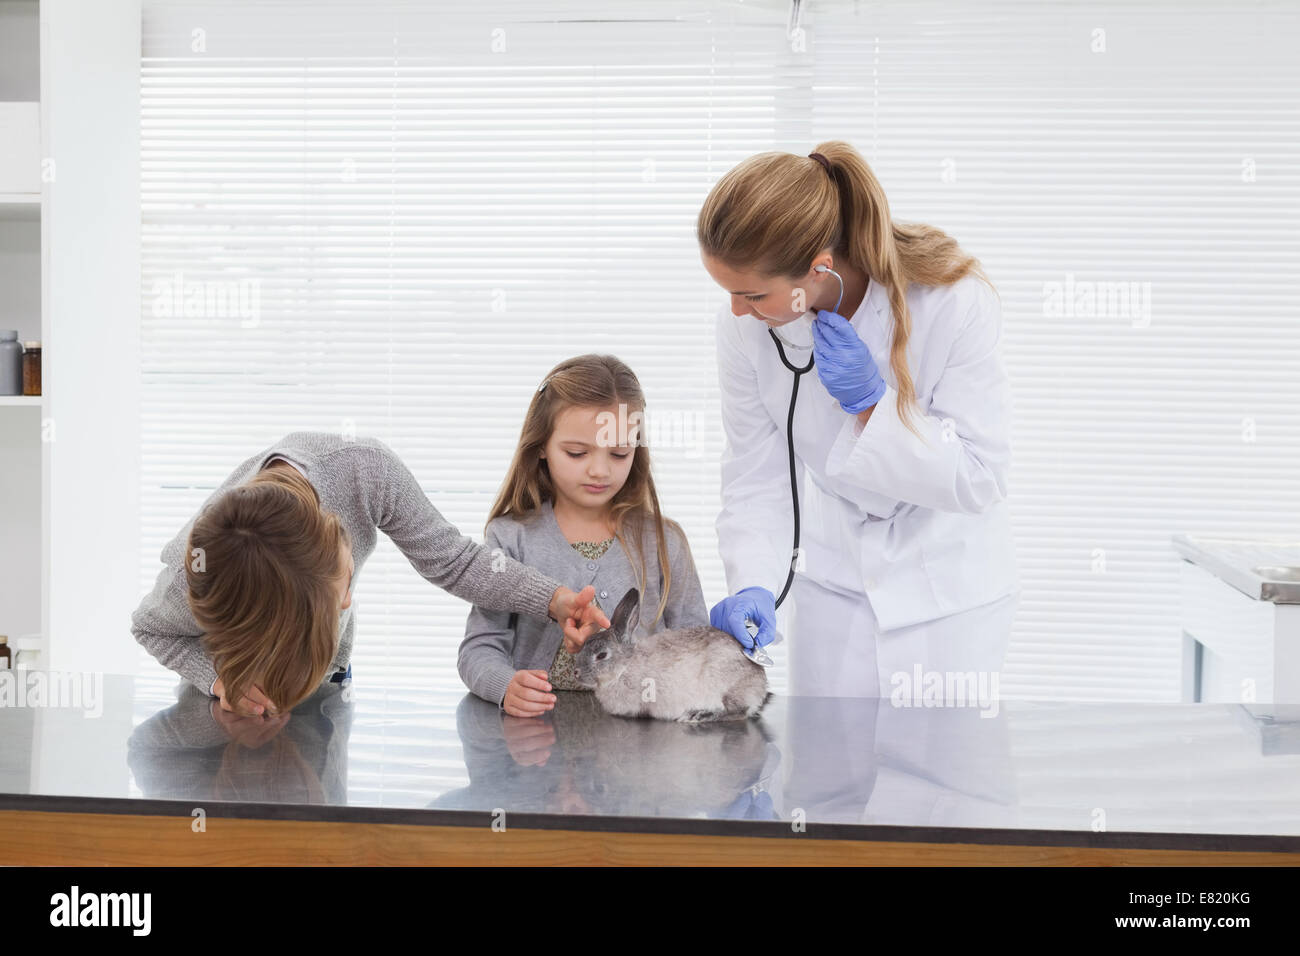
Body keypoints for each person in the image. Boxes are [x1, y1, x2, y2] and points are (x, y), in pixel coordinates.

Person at [697, 141, 1021, 697]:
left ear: (819, 267)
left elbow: (980, 476)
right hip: (834, 589)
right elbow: (756, 476)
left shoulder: (949, 301)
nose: (736, 310)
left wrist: (875, 405)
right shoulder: (747, 328)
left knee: (944, 782)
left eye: (752, 293)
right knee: (825, 781)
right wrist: (752, 581)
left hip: (946, 598)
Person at [130, 432, 610, 716]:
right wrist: (218, 682)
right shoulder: (191, 575)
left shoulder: (364, 473)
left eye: (345, 583)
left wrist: (554, 599)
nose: (348, 603)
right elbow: (150, 628)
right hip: (232, 698)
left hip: (325, 683)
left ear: (332, 527)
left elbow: (453, 559)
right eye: (342, 591)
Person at [459, 355, 710, 717]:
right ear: (541, 445)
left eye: (619, 453)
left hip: (641, 749)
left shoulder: (664, 542)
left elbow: (694, 645)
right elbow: (479, 648)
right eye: (577, 453)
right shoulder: (511, 539)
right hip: (537, 750)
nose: (599, 469)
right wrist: (504, 685)